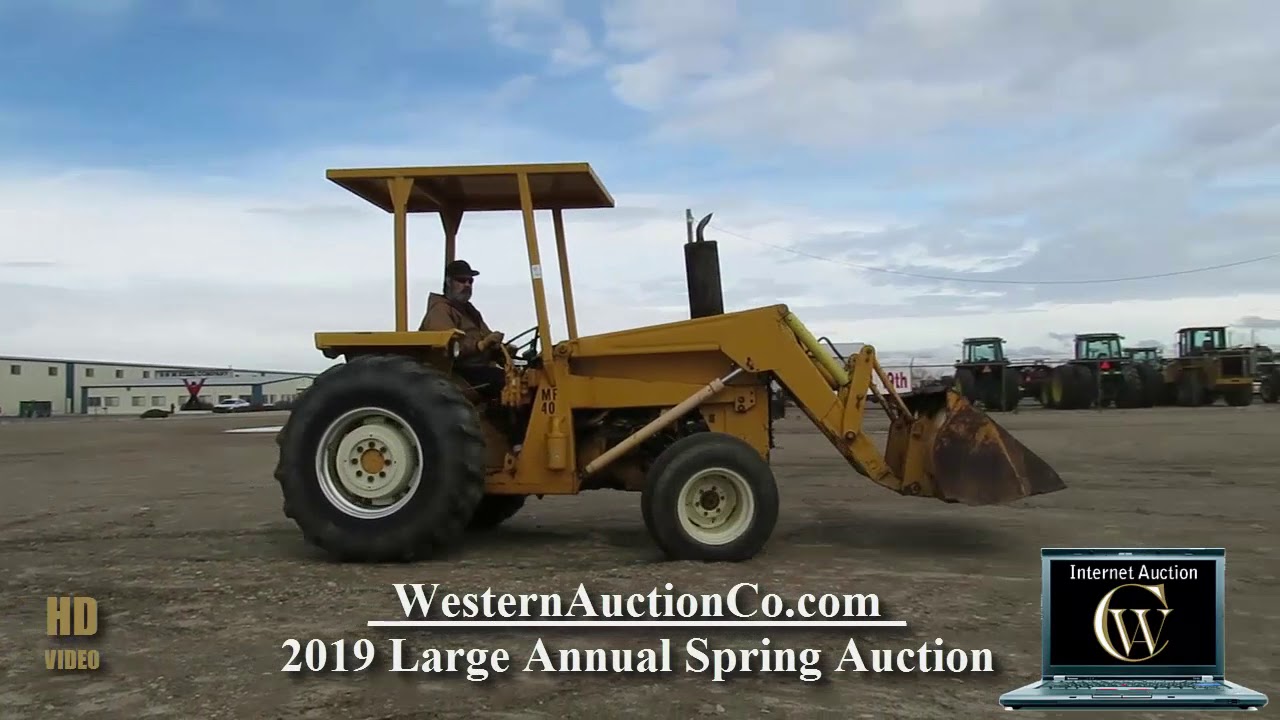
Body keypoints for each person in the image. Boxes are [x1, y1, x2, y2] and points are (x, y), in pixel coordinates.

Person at [419, 259, 507, 400]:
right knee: (505, 382)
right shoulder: (440, 311)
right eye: (461, 280)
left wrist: (501, 348)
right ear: (448, 282)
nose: (467, 285)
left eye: (470, 281)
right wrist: (481, 345)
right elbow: (447, 346)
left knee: (520, 378)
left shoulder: (471, 312)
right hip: (454, 372)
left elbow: (487, 335)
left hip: (476, 368)